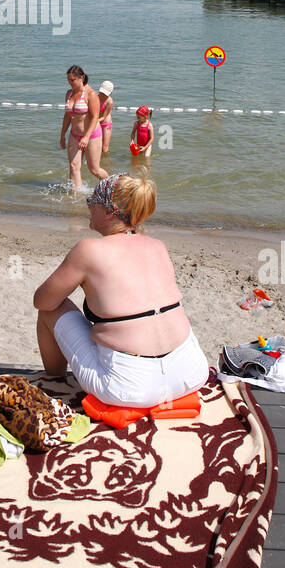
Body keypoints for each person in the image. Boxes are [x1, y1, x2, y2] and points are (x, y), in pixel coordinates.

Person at [33, 173, 209, 406]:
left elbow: (42, 301)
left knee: (52, 309)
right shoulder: (158, 246)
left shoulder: (88, 249)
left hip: (128, 388)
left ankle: (55, 381)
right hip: (191, 373)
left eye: (91, 201)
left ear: (108, 211)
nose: (87, 208)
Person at [60, 65, 104, 191]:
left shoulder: (91, 94)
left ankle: (113, 187)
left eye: (72, 80)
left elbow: (95, 117)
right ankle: (76, 199)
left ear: (81, 78)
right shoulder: (69, 94)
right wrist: (62, 134)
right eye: (68, 80)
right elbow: (67, 116)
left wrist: (86, 137)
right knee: (74, 166)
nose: (70, 82)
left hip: (91, 135)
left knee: (94, 169)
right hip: (74, 135)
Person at [97, 80, 115, 157]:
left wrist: (94, 121)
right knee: (96, 145)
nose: (103, 94)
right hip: (97, 122)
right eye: (102, 92)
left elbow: (104, 117)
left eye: (105, 93)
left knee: (104, 148)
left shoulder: (109, 101)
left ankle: (106, 163)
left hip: (106, 124)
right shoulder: (95, 97)